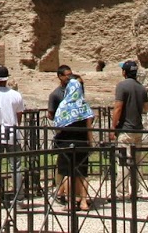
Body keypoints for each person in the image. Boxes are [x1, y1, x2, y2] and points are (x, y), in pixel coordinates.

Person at [50, 66, 93, 211]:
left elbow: (57, 126)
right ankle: (83, 202)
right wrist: (91, 143)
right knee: (82, 173)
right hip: (82, 142)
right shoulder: (84, 105)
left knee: (68, 173)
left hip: (66, 143)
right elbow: (89, 126)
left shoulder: (63, 106)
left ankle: (69, 203)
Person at [0, 65, 25, 198]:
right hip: (12, 133)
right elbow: (19, 114)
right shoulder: (16, 95)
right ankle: (19, 197)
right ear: (7, 78)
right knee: (16, 167)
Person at [112, 59, 148, 147]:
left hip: (126, 130)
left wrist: (113, 128)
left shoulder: (122, 86)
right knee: (137, 159)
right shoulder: (142, 88)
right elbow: (146, 108)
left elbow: (118, 108)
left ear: (124, 72)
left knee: (123, 158)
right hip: (138, 129)